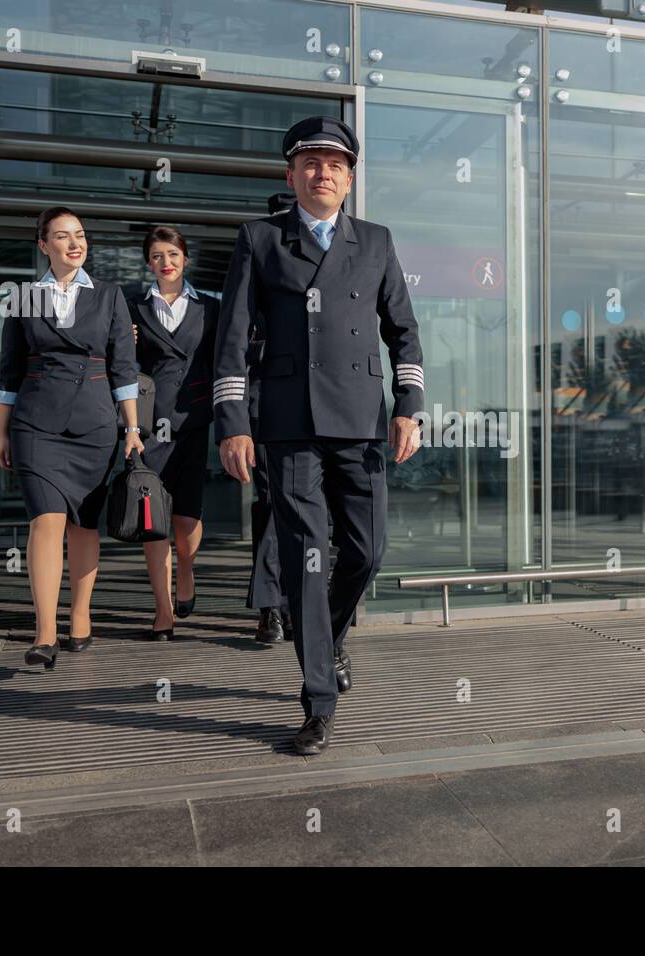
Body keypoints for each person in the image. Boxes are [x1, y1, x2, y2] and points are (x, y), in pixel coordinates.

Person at [213, 117, 424, 754]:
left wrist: (409, 406)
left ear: (350, 178)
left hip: (361, 422)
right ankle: (317, 701)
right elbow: (232, 339)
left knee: (367, 551)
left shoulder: (377, 241)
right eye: (310, 162)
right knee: (308, 557)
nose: (322, 172)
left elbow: (404, 332)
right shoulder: (260, 239)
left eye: (334, 163)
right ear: (291, 174)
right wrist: (233, 423)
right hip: (290, 425)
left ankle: (327, 639)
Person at [0, 206, 143, 669]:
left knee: (83, 524)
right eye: (62, 236)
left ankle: (80, 618)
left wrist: (133, 428)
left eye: (80, 235)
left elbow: (124, 368)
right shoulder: (23, 298)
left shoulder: (110, 295)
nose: (75, 243)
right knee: (46, 521)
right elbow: (8, 369)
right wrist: (0, 431)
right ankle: (44, 632)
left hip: (95, 426)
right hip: (36, 424)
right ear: (44, 246)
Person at [128, 225, 217, 640]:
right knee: (154, 519)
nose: (166, 262)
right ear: (149, 262)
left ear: (185, 260)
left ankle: (187, 567)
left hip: (193, 422)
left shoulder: (210, 309)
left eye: (173, 255)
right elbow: (123, 365)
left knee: (186, 518)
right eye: (158, 255)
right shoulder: (133, 309)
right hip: (149, 426)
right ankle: (162, 610)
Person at [245, 192, 298, 644]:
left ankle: (290, 603)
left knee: (298, 509)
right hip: (264, 402)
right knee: (272, 502)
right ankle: (271, 606)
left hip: (313, 408)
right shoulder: (261, 259)